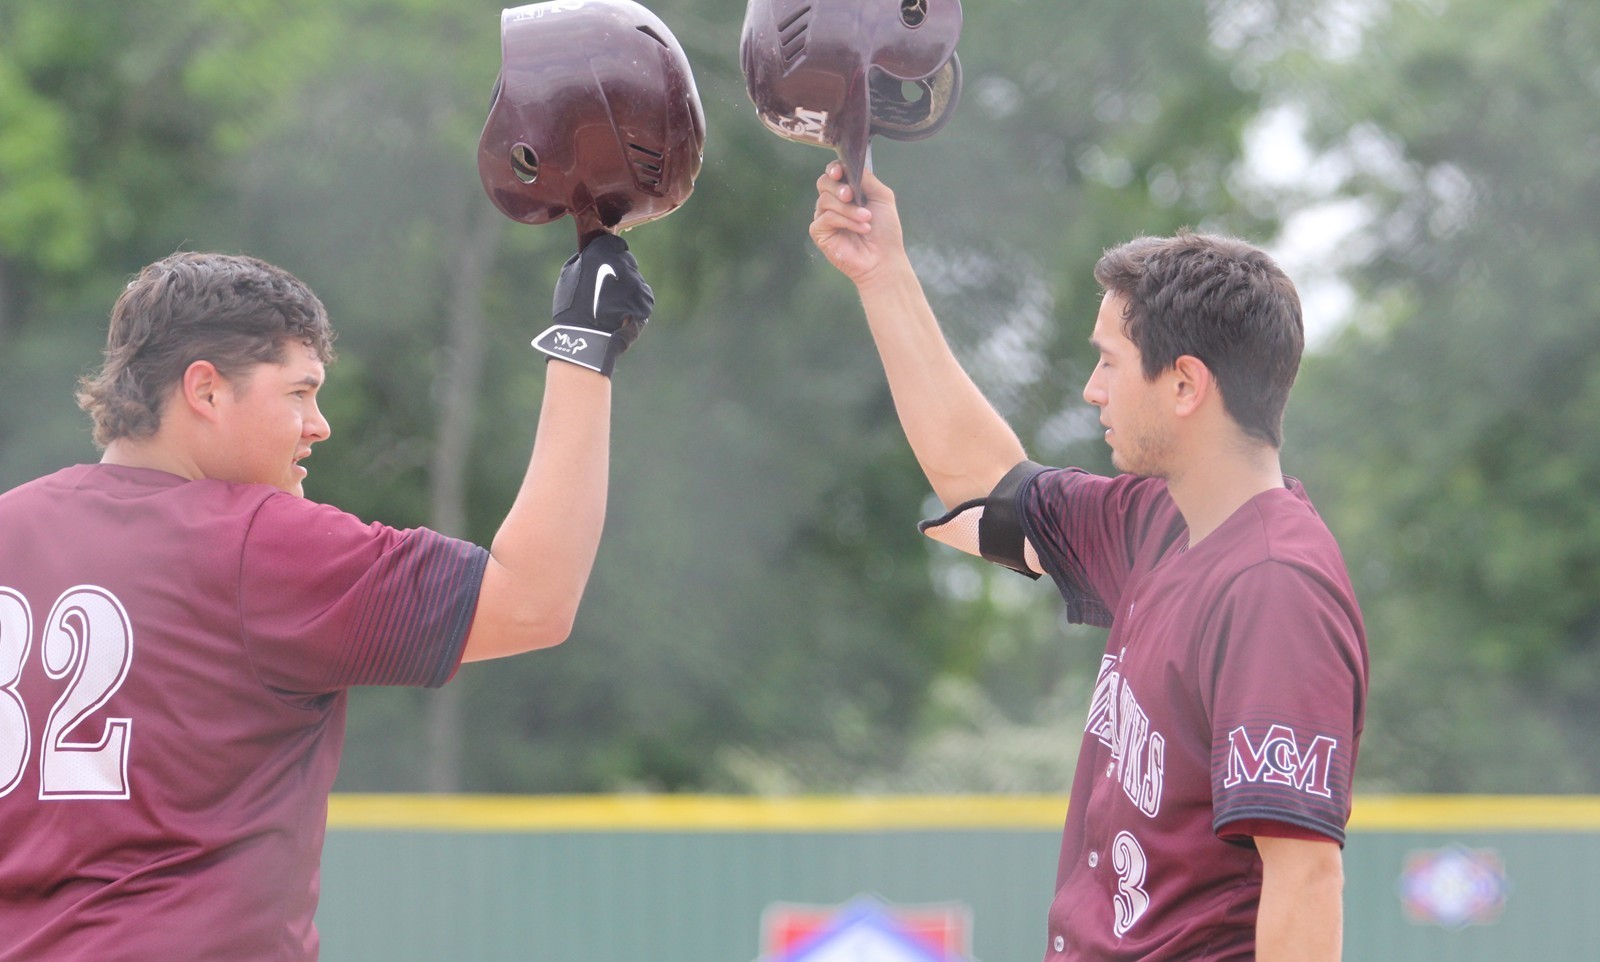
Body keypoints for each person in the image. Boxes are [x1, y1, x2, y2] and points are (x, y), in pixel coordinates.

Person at [0, 236, 652, 960]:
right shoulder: (253, 541)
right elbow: (531, 600)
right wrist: (584, 346)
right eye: (299, 392)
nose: (319, 424)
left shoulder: (9, 527)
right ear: (207, 390)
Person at [810, 163, 1368, 961]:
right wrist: (881, 272)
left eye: (1109, 360)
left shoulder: (1274, 587)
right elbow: (983, 484)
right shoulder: (1158, 525)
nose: (1090, 389)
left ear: (1184, 384)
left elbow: (1306, 880)